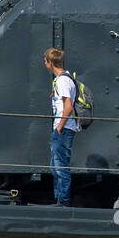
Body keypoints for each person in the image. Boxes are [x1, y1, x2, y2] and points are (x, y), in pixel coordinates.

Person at [44, 48, 77, 207]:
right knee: (56, 166)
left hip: (63, 129)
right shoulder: (64, 79)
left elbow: (68, 107)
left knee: (60, 166)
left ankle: (63, 201)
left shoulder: (63, 81)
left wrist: (59, 128)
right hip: (63, 128)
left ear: (50, 62)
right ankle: (59, 199)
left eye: (45, 60)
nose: (45, 63)